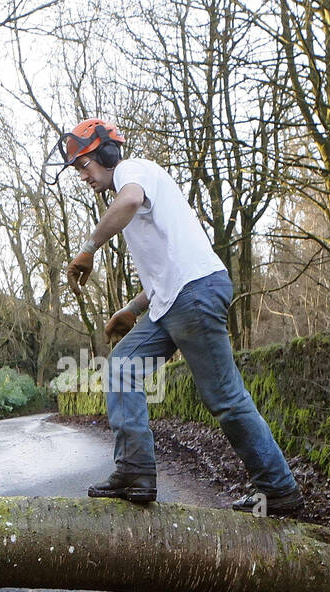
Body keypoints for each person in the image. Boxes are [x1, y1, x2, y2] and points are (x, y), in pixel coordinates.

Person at [55, 118, 304, 515]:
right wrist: (131, 309)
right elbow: (167, 267)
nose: (82, 175)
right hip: (173, 299)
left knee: (225, 398)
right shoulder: (135, 197)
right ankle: (135, 469)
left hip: (196, 293)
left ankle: (278, 489)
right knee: (123, 365)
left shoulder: (131, 173)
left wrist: (89, 248)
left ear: (105, 154)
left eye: (84, 164)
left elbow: (131, 200)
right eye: (78, 169)